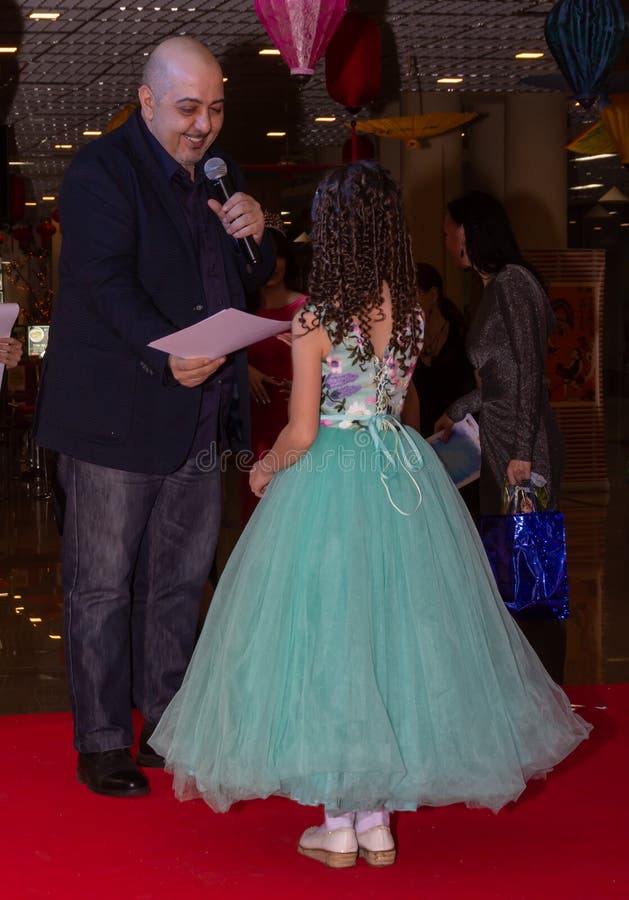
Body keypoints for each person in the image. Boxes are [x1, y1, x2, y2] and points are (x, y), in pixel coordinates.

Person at [150, 162, 589, 868]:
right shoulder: (412, 317)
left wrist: (261, 471)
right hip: (400, 475)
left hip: (331, 478)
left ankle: (339, 821)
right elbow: (397, 406)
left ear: (333, 235)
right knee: (393, 637)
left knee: (332, 639)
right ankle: (377, 820)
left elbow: (300, 432)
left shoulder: (317, 321)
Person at [32, 36, 275, 798]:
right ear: (145, 101)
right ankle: (102, 742)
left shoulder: (220, 173)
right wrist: (162, 352)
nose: (204, 126)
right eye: (187, 109)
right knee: (102, 586)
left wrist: (257, 237)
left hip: (198, 413)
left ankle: (167, 724)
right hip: (115, 415)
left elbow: (246, 279)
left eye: (215, 108)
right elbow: (101, 283)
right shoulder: (102, 171)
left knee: (178, 582)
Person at [435, 191, 566, 681]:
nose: (446, 242)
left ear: (469, 232)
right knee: (512, 580)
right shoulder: (494, 287)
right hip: (498, 451)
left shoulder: (513, 283)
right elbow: (500, 381)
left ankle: (551, 696)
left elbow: (531, 371)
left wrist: (525, 455)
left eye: (449, 231)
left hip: (521, 457)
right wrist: (458, 411)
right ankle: (526, 696)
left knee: (534, 586)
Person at [243, 225, 307, 520]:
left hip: (296, 418)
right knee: (256, 510)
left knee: (297, 512)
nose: (271, 265)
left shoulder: (308, 309)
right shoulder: (240, 313)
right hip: (254, 422)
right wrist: (243, 369)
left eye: (277, 256)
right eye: (260, 257)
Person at [412, 262, 475, 438]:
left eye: (413, 295)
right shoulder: (405, 343)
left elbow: (480, 391)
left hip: (460, 439)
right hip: (421, 442)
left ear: (432, 295)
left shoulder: (463, 338)